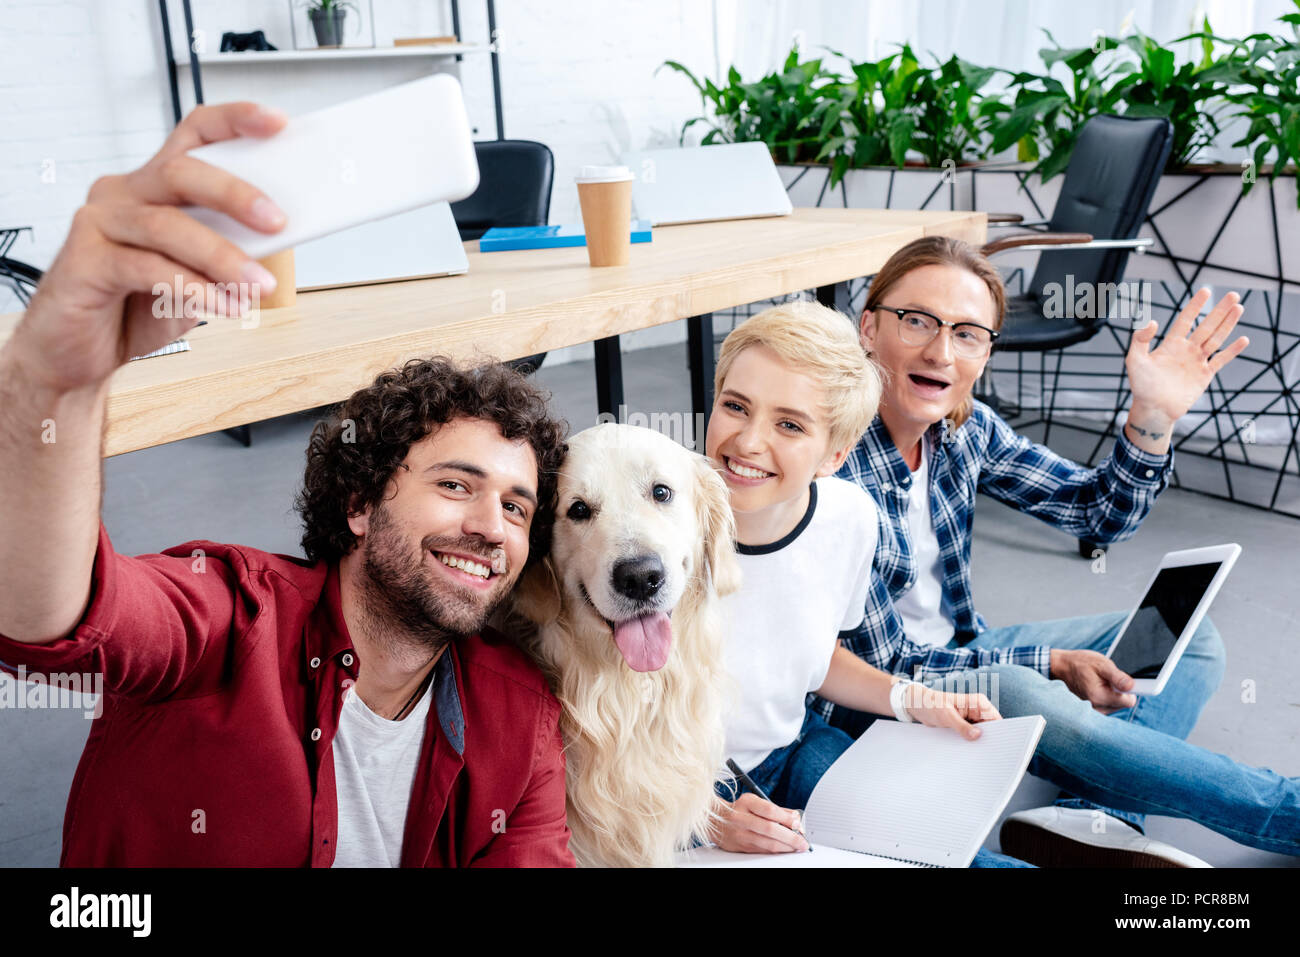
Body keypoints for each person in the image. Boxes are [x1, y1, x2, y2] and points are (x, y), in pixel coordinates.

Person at [0, 101, 574, 867]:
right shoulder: (225, 622)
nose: (491, 525)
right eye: (455, 484)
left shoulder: (518, 714)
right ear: (361, 502)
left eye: (515, 506)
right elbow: (49, 618)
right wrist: (53, 387)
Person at [816, 234, 1299, 865]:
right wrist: (1051, 663)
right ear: (869, 327)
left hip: (961, 649)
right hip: (873, 698)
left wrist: (1150, 418)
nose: (941, 351)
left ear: (985, 353)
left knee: (1190, 640)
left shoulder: (964, 431)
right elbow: (893, 664)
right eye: (917, 322)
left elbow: (1095, 513)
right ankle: (1285, 811)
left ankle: (1090, 821)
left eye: (967, 333)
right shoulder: (834, 463)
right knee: (1022, 687)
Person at [699, 301, 1030, 867]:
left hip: (791, 749)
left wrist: (909, 699)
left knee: (944, 854)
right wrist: (699, 815)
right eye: (735, 406)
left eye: (789, 424)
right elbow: (589, 723)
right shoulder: (655, 537)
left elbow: (812, 655)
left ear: (835, 455)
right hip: (684, 790)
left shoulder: (849, 517)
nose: (748, 442)